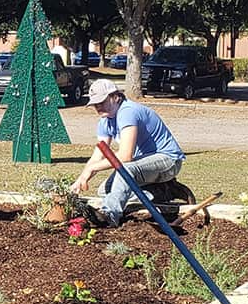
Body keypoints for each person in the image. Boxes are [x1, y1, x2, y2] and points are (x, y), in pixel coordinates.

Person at [70, 79, 185, 227]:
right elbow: (98, 155)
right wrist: (80, 180)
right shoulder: (105, 121)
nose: (98, 107)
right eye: (95, 104)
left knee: (125, 170)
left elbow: (125, 156)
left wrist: (92, 168)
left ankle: (110, 215)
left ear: (116, 97)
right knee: (105, 191)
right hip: (142, 166)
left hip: (168, 161)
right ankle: (161, 192)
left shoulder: (128, 111)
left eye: (102, 101)